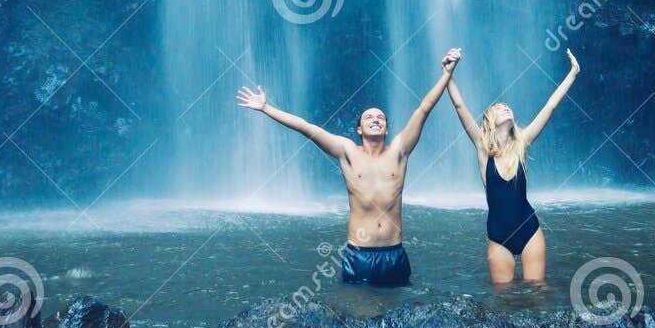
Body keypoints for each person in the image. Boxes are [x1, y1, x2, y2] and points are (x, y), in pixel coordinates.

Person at [235, 48, 460, 287]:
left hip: (394, 252)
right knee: (357, 311)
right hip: (359, 254)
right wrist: (266, 108)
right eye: (369, 118)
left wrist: (447, 73)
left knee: (400, 311)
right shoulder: (348, 152)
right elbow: (306, 127)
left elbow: (424, 108)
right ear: (359, 130)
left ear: (386, 130)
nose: (375, 119)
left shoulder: (399, 151)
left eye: (381, 118)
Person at [446, 48, 579, 283]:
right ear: (489, 121)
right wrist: (449, 72)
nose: (505, 108)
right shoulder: (481, 147)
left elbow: (550, 107)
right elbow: (459, 106)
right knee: (502, 298)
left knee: (537, 291)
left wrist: (573, 73)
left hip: (529, 230)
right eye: (499, 108)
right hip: (498, 236)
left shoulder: (522, 142)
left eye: (507, 106)